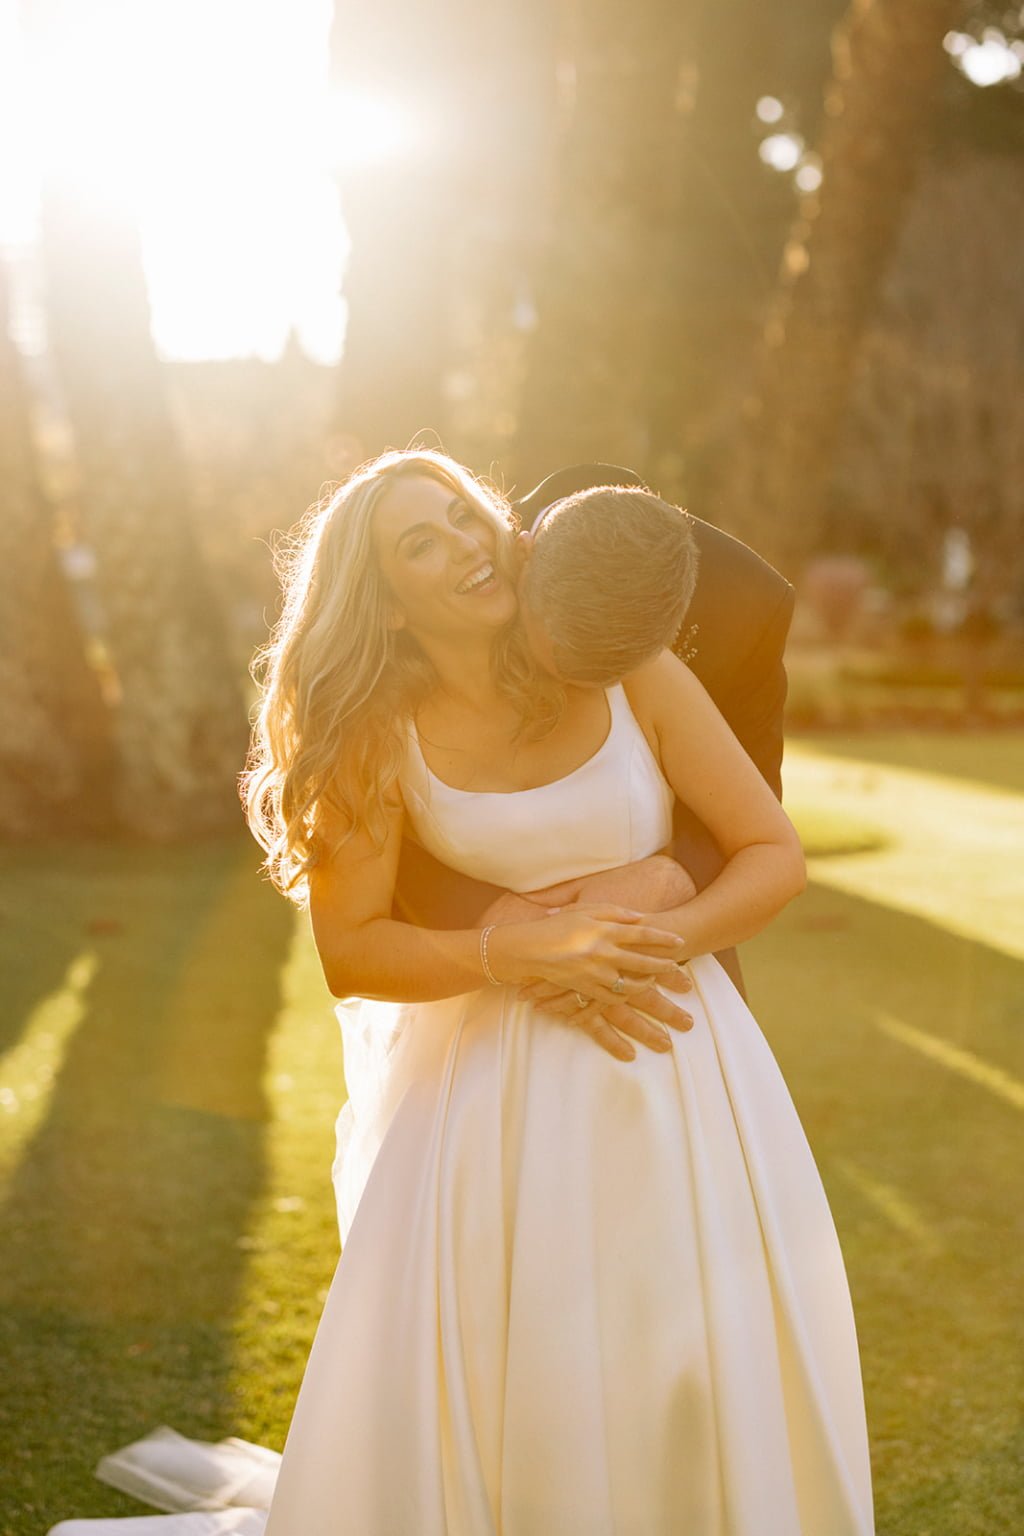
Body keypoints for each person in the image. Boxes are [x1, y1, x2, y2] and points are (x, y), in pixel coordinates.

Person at [48, 447, 873, 1536]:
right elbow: (353, 951)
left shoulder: (630, 671)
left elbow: (772, 853)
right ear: (388, 603)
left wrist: (638, 946)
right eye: (420, 544)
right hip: (496, 1095)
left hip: (675, 1055)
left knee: (690, 1343)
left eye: (464, 515)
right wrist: (514, 955)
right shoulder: (373, 737)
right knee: (523, 1358)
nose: (464, 546)